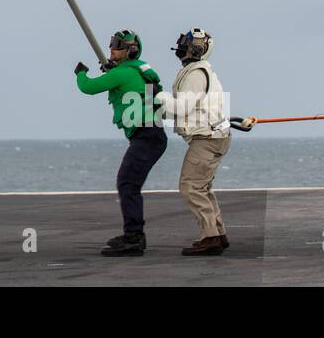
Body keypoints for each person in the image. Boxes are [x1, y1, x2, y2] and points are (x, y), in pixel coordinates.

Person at [74, 30, 168, 256]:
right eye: (111, 45)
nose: (111, 50)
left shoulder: (124, 73)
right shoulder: (140, 71)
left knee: (127, 183)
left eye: (117, 46)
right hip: (151, 136)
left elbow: (88, 87)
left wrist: (81, 72)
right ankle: (133, 235)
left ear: (130, 50)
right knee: (129, 183)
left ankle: (134, 238)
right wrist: (113, 70)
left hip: (146, 136)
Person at [168, 28, 233, 256]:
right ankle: (218, 233)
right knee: (202, 188)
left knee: (190, 187)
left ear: (197, 48)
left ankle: (211, 238)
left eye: (186, 42)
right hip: (213, 136)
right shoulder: (197, 70)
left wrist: (153, 98)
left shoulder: (196, 73)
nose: (182, 44)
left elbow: (181, 107)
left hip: (207, 139)